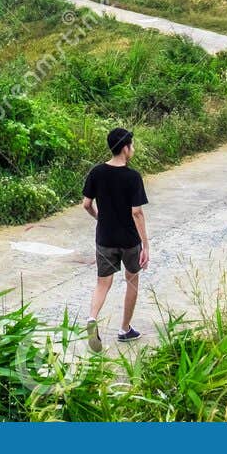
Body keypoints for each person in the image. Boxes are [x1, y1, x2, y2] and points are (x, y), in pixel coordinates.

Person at [81, 126, 149, 351]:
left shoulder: (97, 172)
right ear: (125, 148)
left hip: (105, 238)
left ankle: (92, 318)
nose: (134, 148)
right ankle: (125, 328)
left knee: (103, 283)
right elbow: (136, 212)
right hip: (129, 240)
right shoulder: (133, 177)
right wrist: (145, 245)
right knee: (132, 281)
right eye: (132, 145)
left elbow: (86, 204)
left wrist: (99, 218)